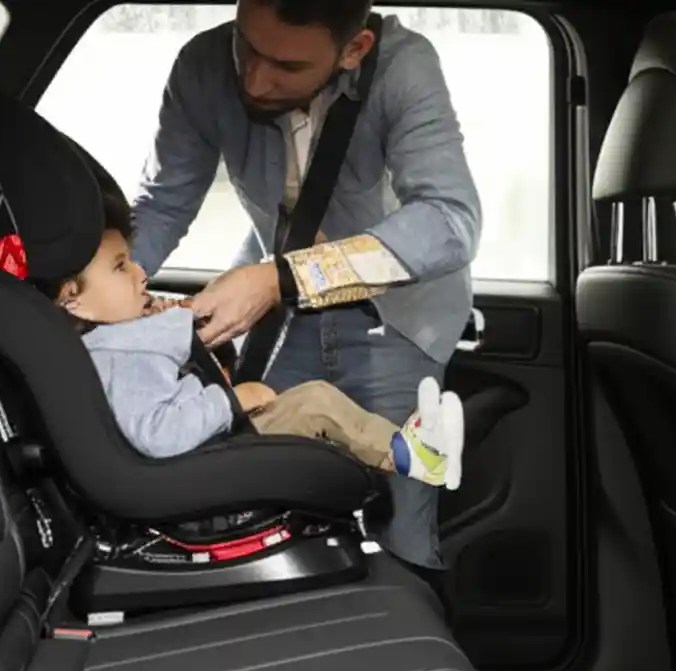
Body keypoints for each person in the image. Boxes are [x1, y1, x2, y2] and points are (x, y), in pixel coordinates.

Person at [129, 0, 481, 585]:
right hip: (283, 321)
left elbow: (449, 221)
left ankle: (406, 653)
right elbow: (162, 203)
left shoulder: (403, 69)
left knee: (398, 524)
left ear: (353, 50)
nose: (253, 78)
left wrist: (280, 278)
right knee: (269, 511)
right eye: (247, 45)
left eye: (286, 66)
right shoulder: (201, 67)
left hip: (394, 320)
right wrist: (104, 297)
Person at [21, 194, 464, 489]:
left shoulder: (121, 340)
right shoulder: (119, 357)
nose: (141, 272)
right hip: (197, 459)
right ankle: (407, 454)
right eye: (121, 268)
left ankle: (403, 451)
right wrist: (232, 401)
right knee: (315, 403)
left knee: (316, 401)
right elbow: (157, 433)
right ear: (72, 300)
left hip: (208, 446)